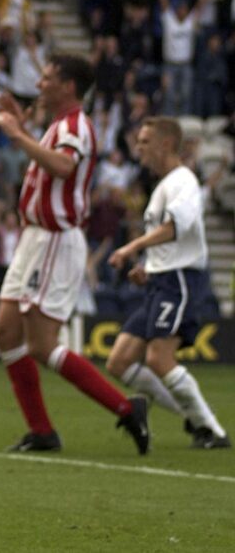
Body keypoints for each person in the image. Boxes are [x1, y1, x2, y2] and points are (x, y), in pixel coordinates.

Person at [0, 54, 149, 454]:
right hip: (35, 239)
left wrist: (17, 135)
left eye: (46, 78)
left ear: (68, 86)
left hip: (56, 239)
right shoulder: (59, 126)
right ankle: (41, 430)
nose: (39, 85)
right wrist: (24, 129)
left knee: (42, 344)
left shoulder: (77, 125)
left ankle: (127, 408)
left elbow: (62, 167)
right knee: (6, 332)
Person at [105, 117, 229, 449]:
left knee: (160, 358)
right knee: (118, 362)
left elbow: (176, 227)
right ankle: (196, 418)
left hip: (181, 280)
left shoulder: (183, 180)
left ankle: (213, 430)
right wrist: (148, 266)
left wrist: (132, 247)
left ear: (165, 145)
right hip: (162, 279)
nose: (138, 148)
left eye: (145, 141)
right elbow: (167, 239)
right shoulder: (163, 185)